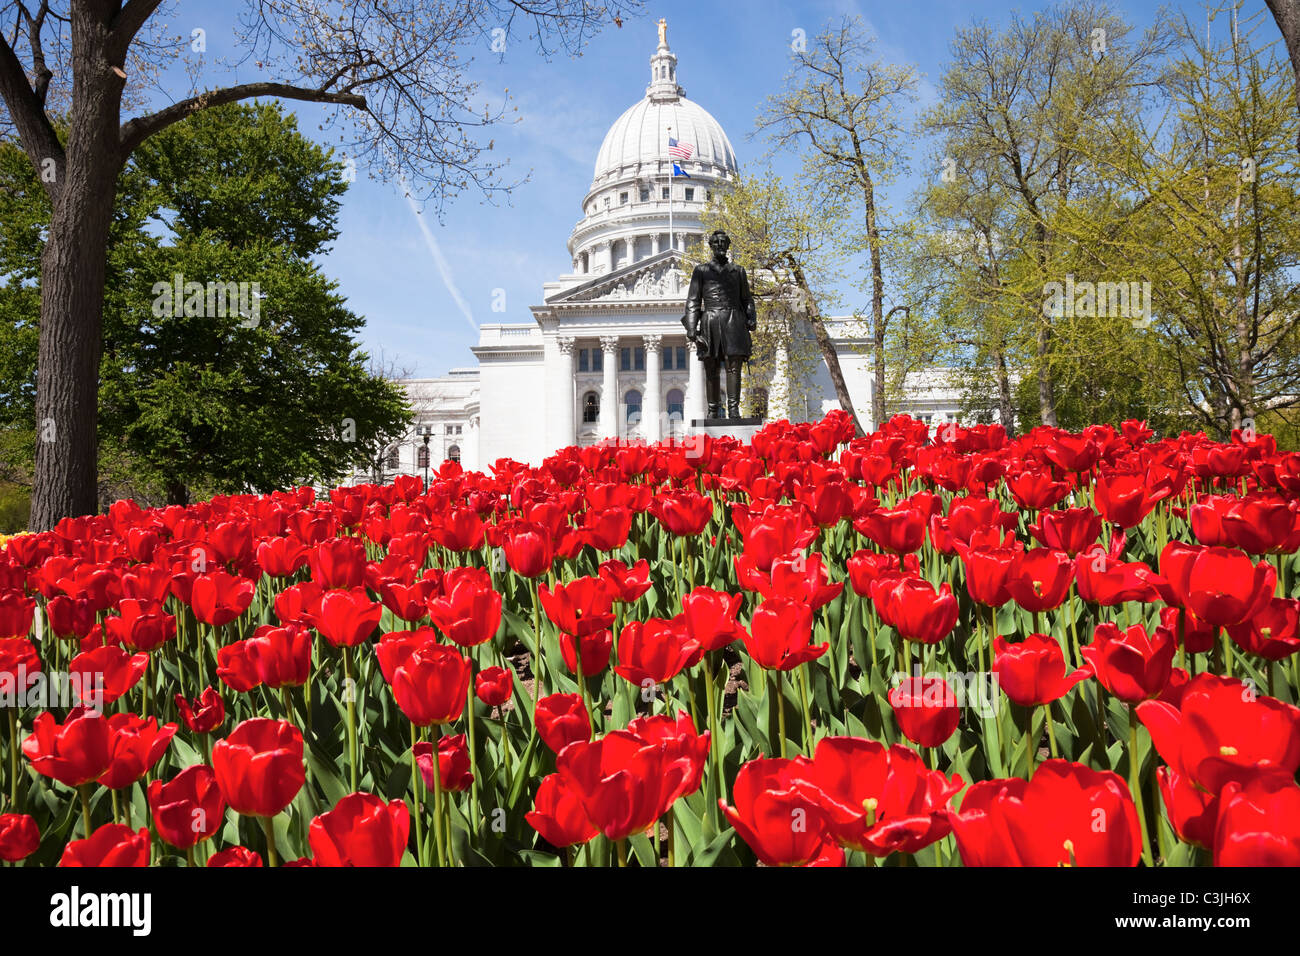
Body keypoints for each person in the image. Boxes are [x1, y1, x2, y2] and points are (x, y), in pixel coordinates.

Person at [683, 229, 757, 419]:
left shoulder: (738, 271)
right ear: (711, 246)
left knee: (734, 367)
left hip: (734, 320)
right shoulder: (701, 271)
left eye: (723, 243)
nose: (720, 246)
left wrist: (751, 317)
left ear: (728, 245)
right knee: (712, 368)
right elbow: (693, 300)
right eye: (716, 243)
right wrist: (692, 329)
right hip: (711, 320)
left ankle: (733, 409)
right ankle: (713, 410)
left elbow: (746, 298)